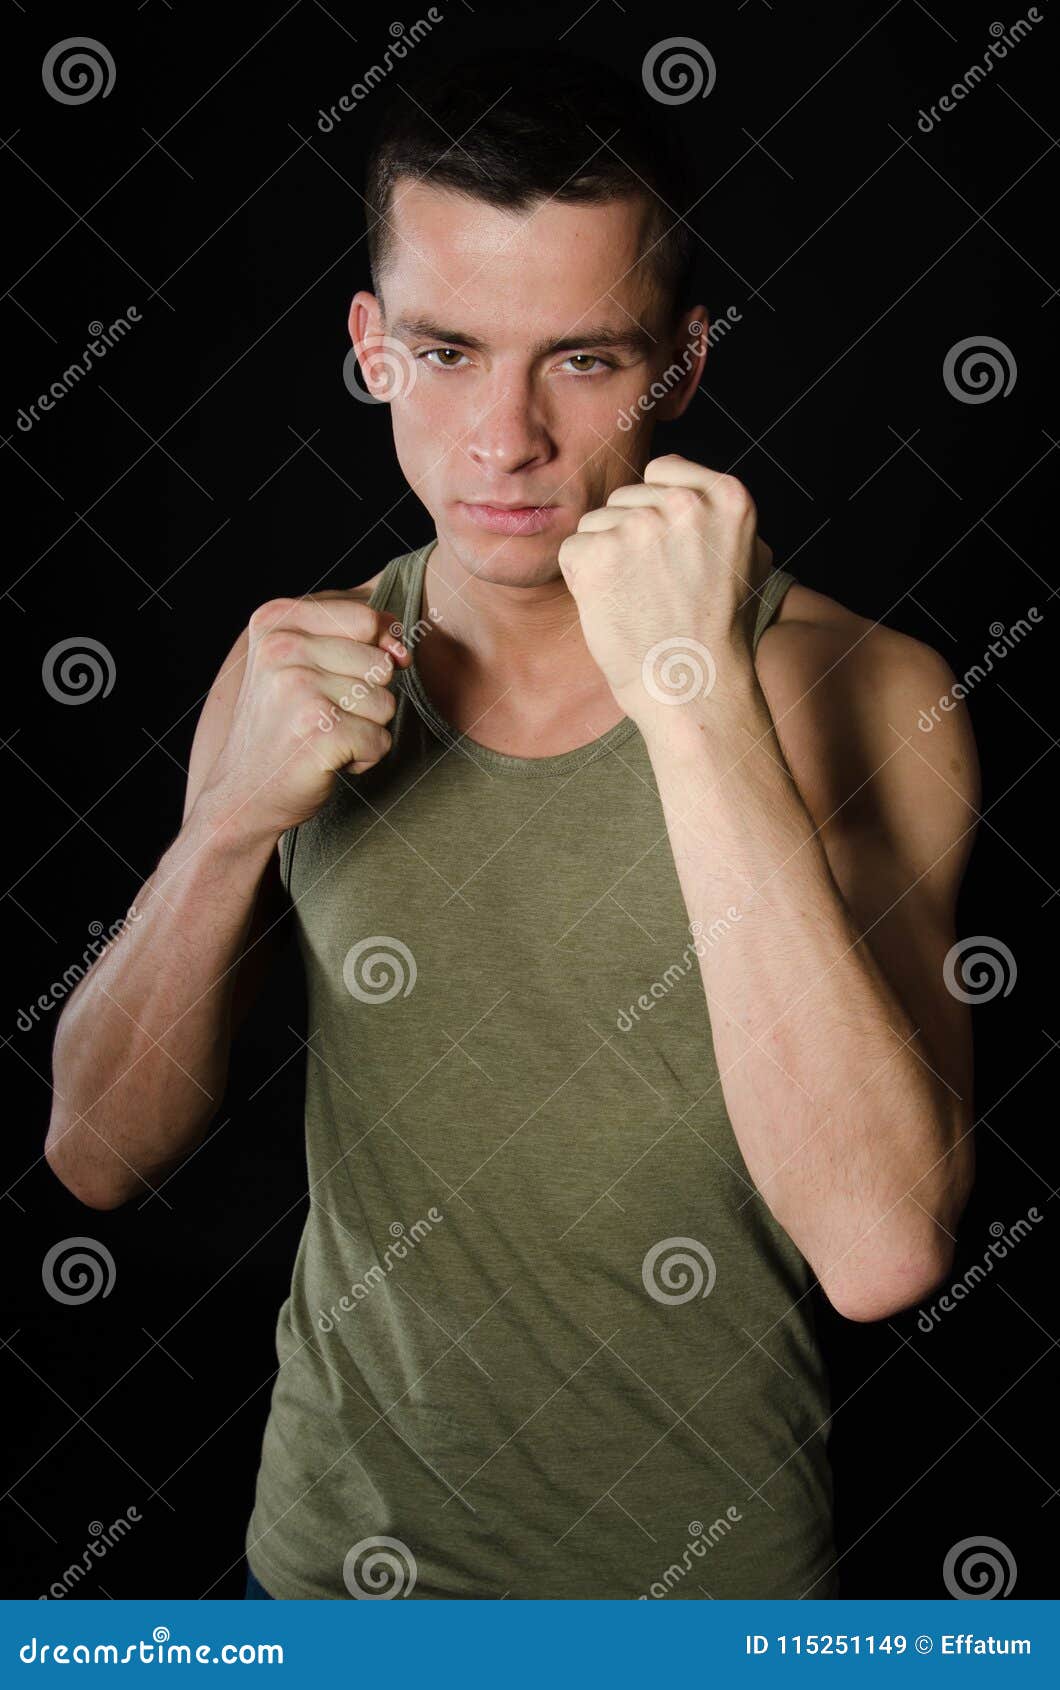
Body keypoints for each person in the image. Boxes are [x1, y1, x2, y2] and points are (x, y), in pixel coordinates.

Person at [45, 48, 978, 1600]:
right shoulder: (298, 665)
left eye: (585, 360)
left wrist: (693, 702)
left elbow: (882, 1251)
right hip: (335, 1576)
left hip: (704, 1599)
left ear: (680, 364)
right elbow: (93, 1155)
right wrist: (221, 837)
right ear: (370, 347)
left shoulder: (870, 694)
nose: (504, 437)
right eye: (449, 350)